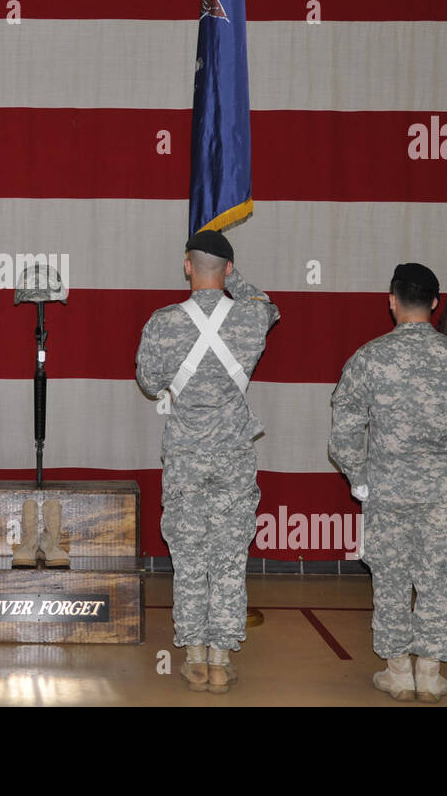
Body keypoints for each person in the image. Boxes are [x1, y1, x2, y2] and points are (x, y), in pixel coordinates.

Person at [328, 262, 447, 703]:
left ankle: (398, 672)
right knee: (436, 577)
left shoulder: (369, 358)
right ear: (436, 304)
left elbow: (344, 432)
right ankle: (431, 674)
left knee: (391, 577)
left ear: (392, 300)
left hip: (386, 490)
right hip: (441, 492)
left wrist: (357, 478)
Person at [135, 229, 279, 693]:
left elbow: (150, 381)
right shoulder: (253, 318)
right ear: (230, 271)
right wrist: (232, 278)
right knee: (230, 557)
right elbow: (265, 302)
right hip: (234, 456)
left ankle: (194, 656)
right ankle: (222, 659)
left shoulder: (162, 322)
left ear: (186, 265)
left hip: (186, 457)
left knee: (190, 557)